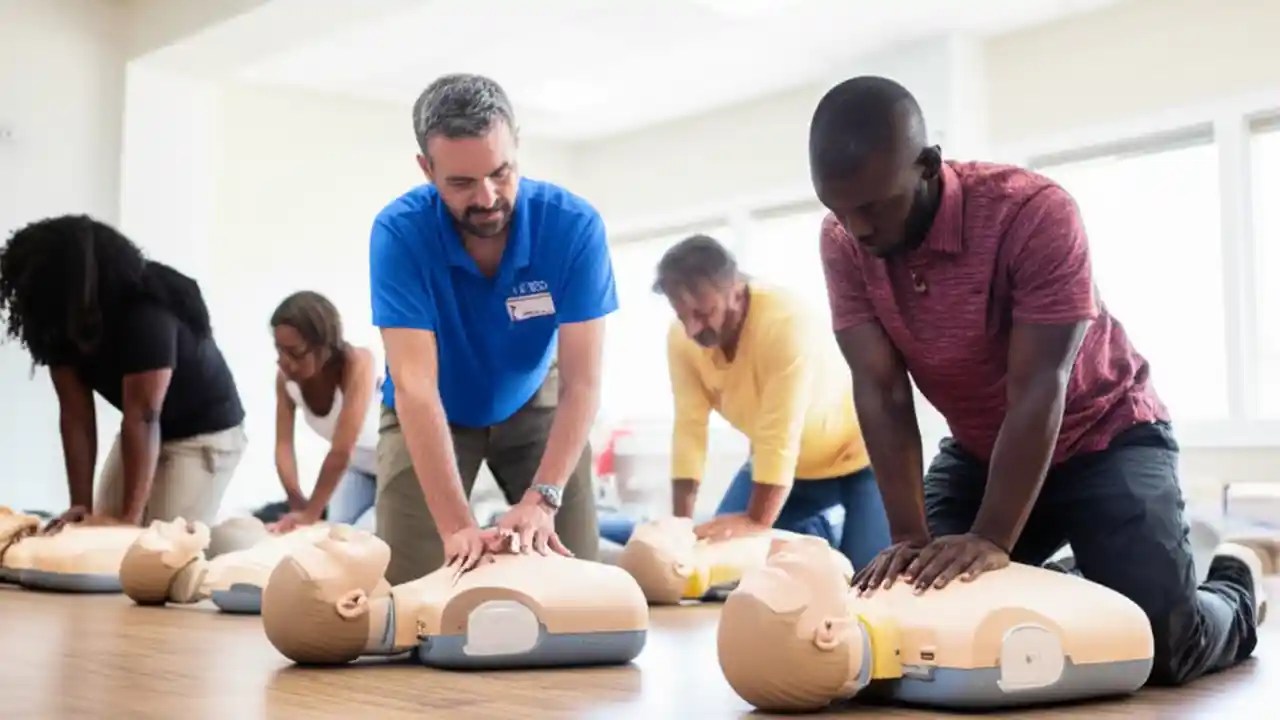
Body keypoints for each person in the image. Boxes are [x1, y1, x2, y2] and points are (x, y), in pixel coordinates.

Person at [808, 75, 1262, 687]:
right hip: (983, 451)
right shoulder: (844, 239)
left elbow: (1039, 387)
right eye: (838, 208)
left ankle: (1235, 579)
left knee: (1158, 645)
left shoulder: (1034, 212)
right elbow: (882, 391)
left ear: (927, 167)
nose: (856, 229)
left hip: (1107, 434)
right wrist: (910, 536)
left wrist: (993, 536)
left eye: (872, 206)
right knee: (917, 610)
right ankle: (1090, 571)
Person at [369, 73, 616, 584]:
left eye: (501, 173)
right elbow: (415, 386)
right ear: (426, 169)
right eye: (461, 183)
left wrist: (544, 496)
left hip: (534, 398)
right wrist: (457, 526)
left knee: (580, 583)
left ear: (517, 147)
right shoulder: (399, 233)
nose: (487, 197)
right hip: (432, 405)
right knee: (411, 591)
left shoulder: (573, 226)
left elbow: (583, 382)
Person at [654, 235, 891, 569]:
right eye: (682, 316)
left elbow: (779, 432)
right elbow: (689, 429)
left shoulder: (784, 321)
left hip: (860, 462)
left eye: (704, 313)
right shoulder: (682, 340)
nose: (693, 329)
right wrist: (681, 530)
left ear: (735, 289)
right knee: (716, 563)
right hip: (785, 470)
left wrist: (757, 522)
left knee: (867, 577)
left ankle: (819, 538)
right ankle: (810, 533)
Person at [0, 215, 247, 526]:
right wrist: (80, 504)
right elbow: (76, 415)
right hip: (144, 427)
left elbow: (144, 416)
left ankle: (233, 543)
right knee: (99, 529)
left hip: (204, 433)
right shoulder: (55, 323)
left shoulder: (146, 311)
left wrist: (130, 520)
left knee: (159, 546)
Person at [268, 291, 381, 533]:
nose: (284, 361)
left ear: (326, 346)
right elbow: (284, 446)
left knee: (359, 539)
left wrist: (311, 513)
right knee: (332, 535)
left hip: (399, 467)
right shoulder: (286, 380)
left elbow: (341, 450)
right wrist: (297, 502)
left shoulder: (359, 362)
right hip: (358, 469)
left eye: (295, 352)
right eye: (279, 350)